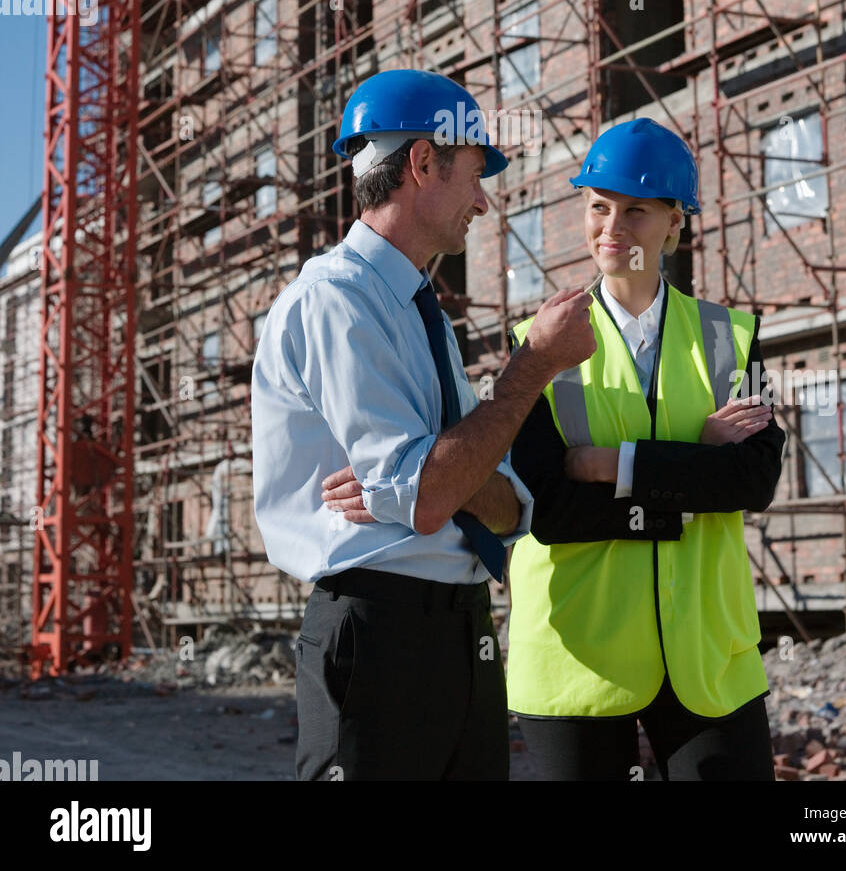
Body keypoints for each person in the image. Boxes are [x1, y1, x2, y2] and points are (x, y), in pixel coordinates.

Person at [250, 68, 596, 781]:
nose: (483, 199)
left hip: (459, 630)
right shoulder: (334, 303)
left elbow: (499, 508)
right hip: (378, 631)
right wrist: (529, 368)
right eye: (474, 174)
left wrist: (432, 481)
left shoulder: (421, 314)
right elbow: (435, 495)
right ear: (421, 163)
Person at [506, 117, 786, 781]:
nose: (611, 227)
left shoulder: (726, 338)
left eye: (634, 209)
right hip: (577, 655)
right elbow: (548, 506)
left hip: (704, 654)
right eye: (597, 207)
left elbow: (752, 480)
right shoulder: (540, 342)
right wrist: (689, 475)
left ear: (674, 223)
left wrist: (612, 464)